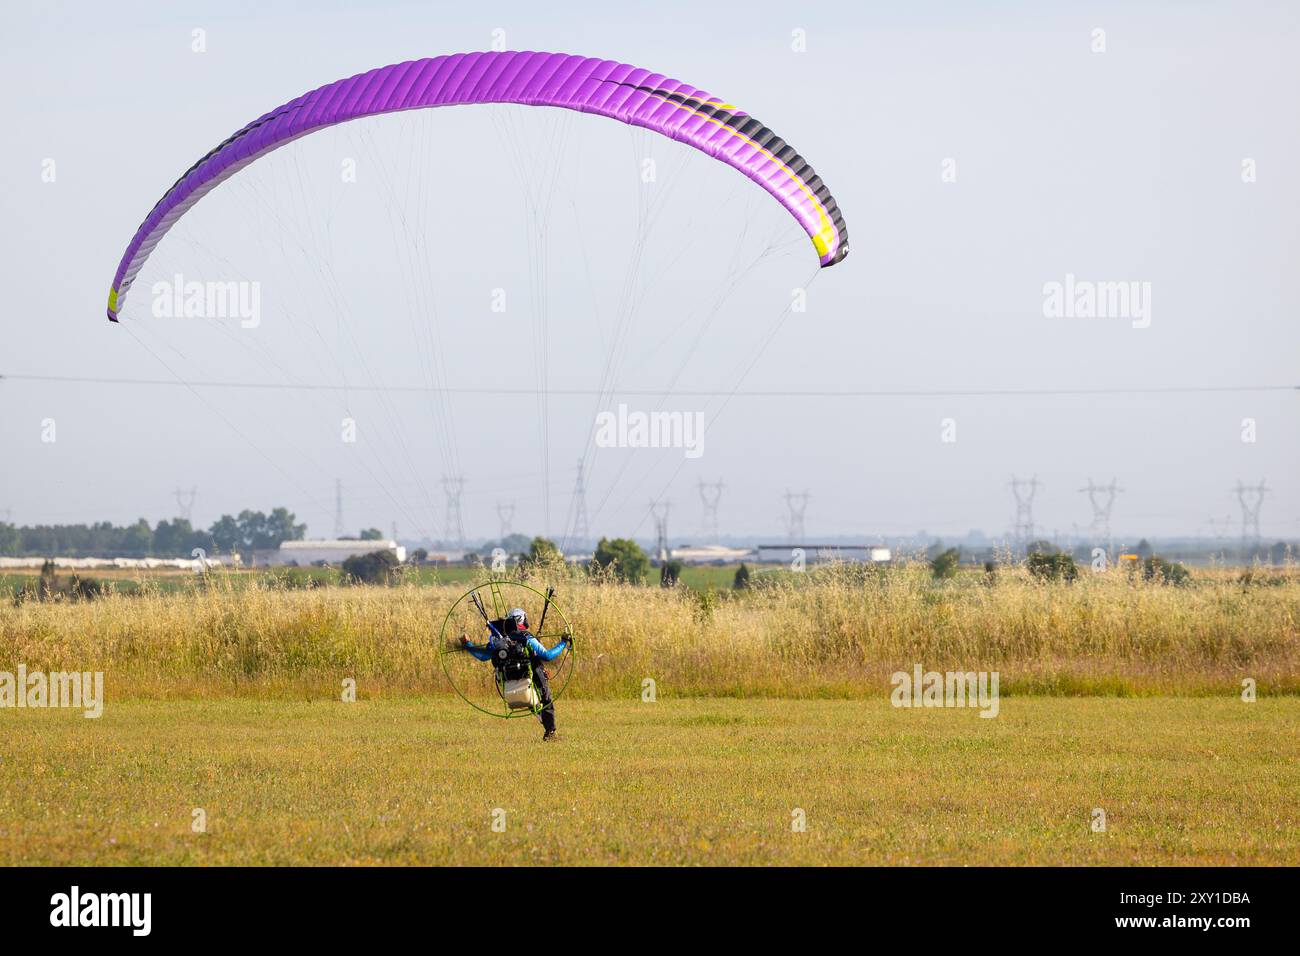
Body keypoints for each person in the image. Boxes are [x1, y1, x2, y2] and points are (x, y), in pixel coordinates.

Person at [461, 607, 569, 740]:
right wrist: (563, 643)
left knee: (530, 700)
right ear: (522, 619)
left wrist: (468, 645)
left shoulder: (497, 640)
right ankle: (550, 731)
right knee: (545, 700)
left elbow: (483, 656)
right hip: (532, 673)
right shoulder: (525, 636)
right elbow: (547, 656)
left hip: (510, 677)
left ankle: (548, 729)